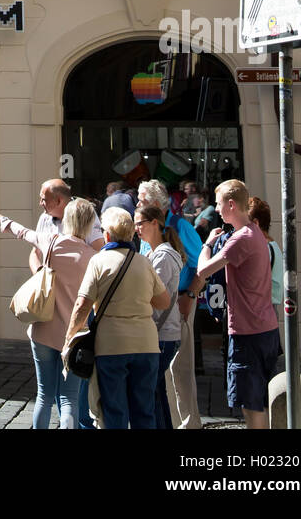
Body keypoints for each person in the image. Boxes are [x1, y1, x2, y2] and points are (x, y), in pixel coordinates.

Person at [0, 195, 97, 429]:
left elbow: (22, 232)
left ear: (67, 219)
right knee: (70, 399)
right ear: (89, 224)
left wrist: (1, 218)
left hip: (43, 331)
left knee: (44, 395)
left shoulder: (51, 242)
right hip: (75, 336)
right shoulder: (92, 257)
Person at [63, 208, 169, 430]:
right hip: (146, 345)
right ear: (130, 234)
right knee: (144, 410)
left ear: (108, 235)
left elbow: (82, 305)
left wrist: (69, 338)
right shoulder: (143, 262)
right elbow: (163, 302)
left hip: (111, 346)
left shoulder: (99, 261)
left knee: (114, 410)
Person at [189, 179, 281, 430]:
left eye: (219, 204)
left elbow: (203, 270)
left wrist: (207, 243)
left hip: (247, 333)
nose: (216, 210)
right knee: (259, 400)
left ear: (231, 205)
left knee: (250, 404)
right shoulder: (256, 234)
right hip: (264, 328)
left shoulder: (241, 238)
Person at [137, 179, 203, 429]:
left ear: (155, 204)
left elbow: (203, 266)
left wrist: (191, 296)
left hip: (180, 301)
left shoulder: (180, 226)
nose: (137, 203)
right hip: (155, 309)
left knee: (181, 368)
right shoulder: (146, 229)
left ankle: (189, 423)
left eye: (141, 200)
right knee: (162, 372)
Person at [135, 204, 183, 429]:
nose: (137, 229)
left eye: (140, 223)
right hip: (160, 333)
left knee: (150, 391)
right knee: (156, 390)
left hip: (161, 333)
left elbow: (155, 297)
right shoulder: (152, 253)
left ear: (155, 223)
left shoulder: (163, 257)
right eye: (135, 224)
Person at [248, 197, 283, 326]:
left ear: (256, 223)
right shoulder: (272, 246)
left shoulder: (265, 248)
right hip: (267, 310)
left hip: (261, 311)